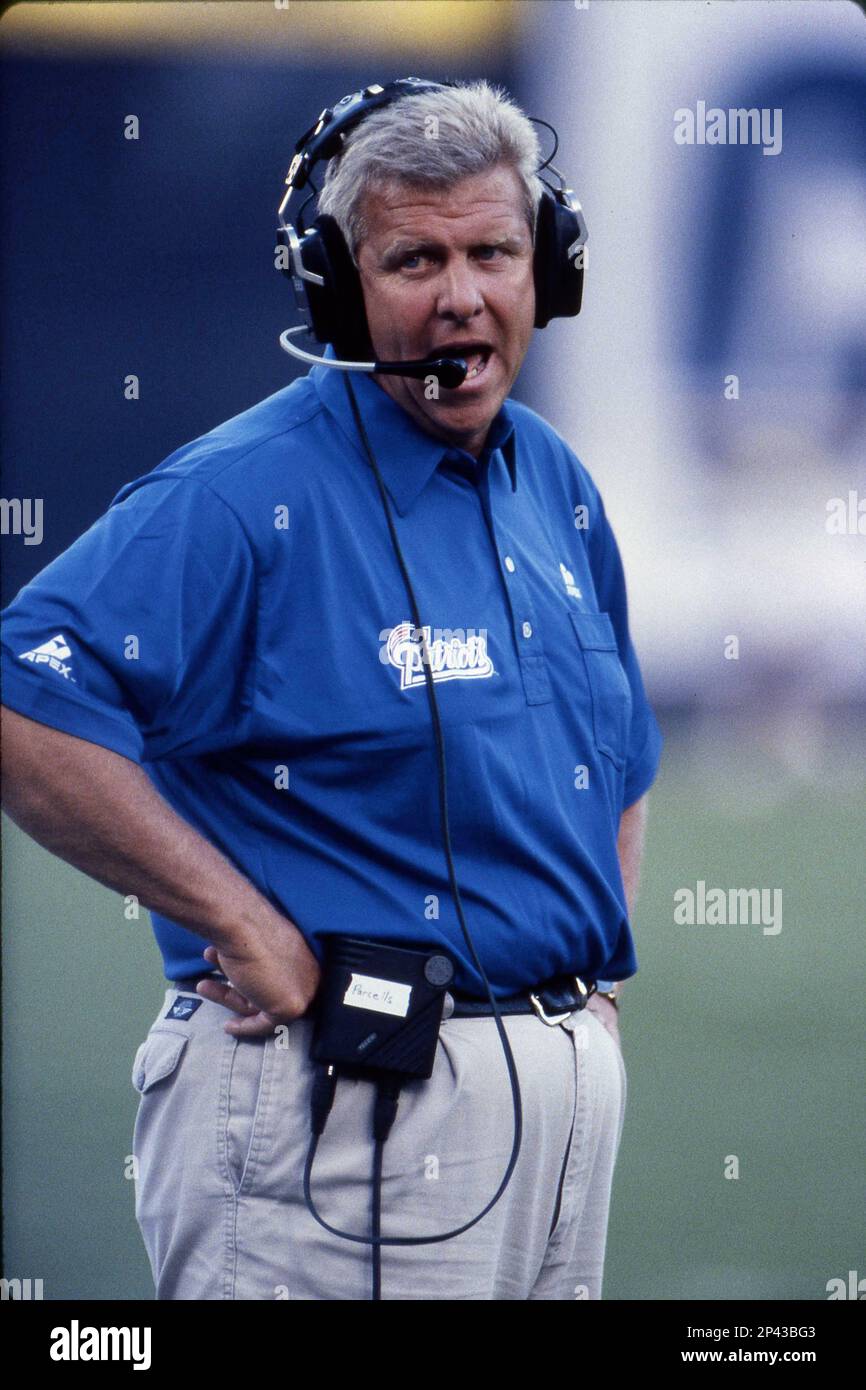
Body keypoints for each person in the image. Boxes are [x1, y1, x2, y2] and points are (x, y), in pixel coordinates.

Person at [0, 77, 662, 1300]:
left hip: (557, 1116)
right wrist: (240, 921)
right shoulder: (239, 495)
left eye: (492, 252)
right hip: (342, 1110)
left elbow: (617, 756)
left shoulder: (554, 482)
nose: (459, 295)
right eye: (414, 258)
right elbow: (25, 700)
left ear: (547, 268)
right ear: (334, 280)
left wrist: (588, 985)